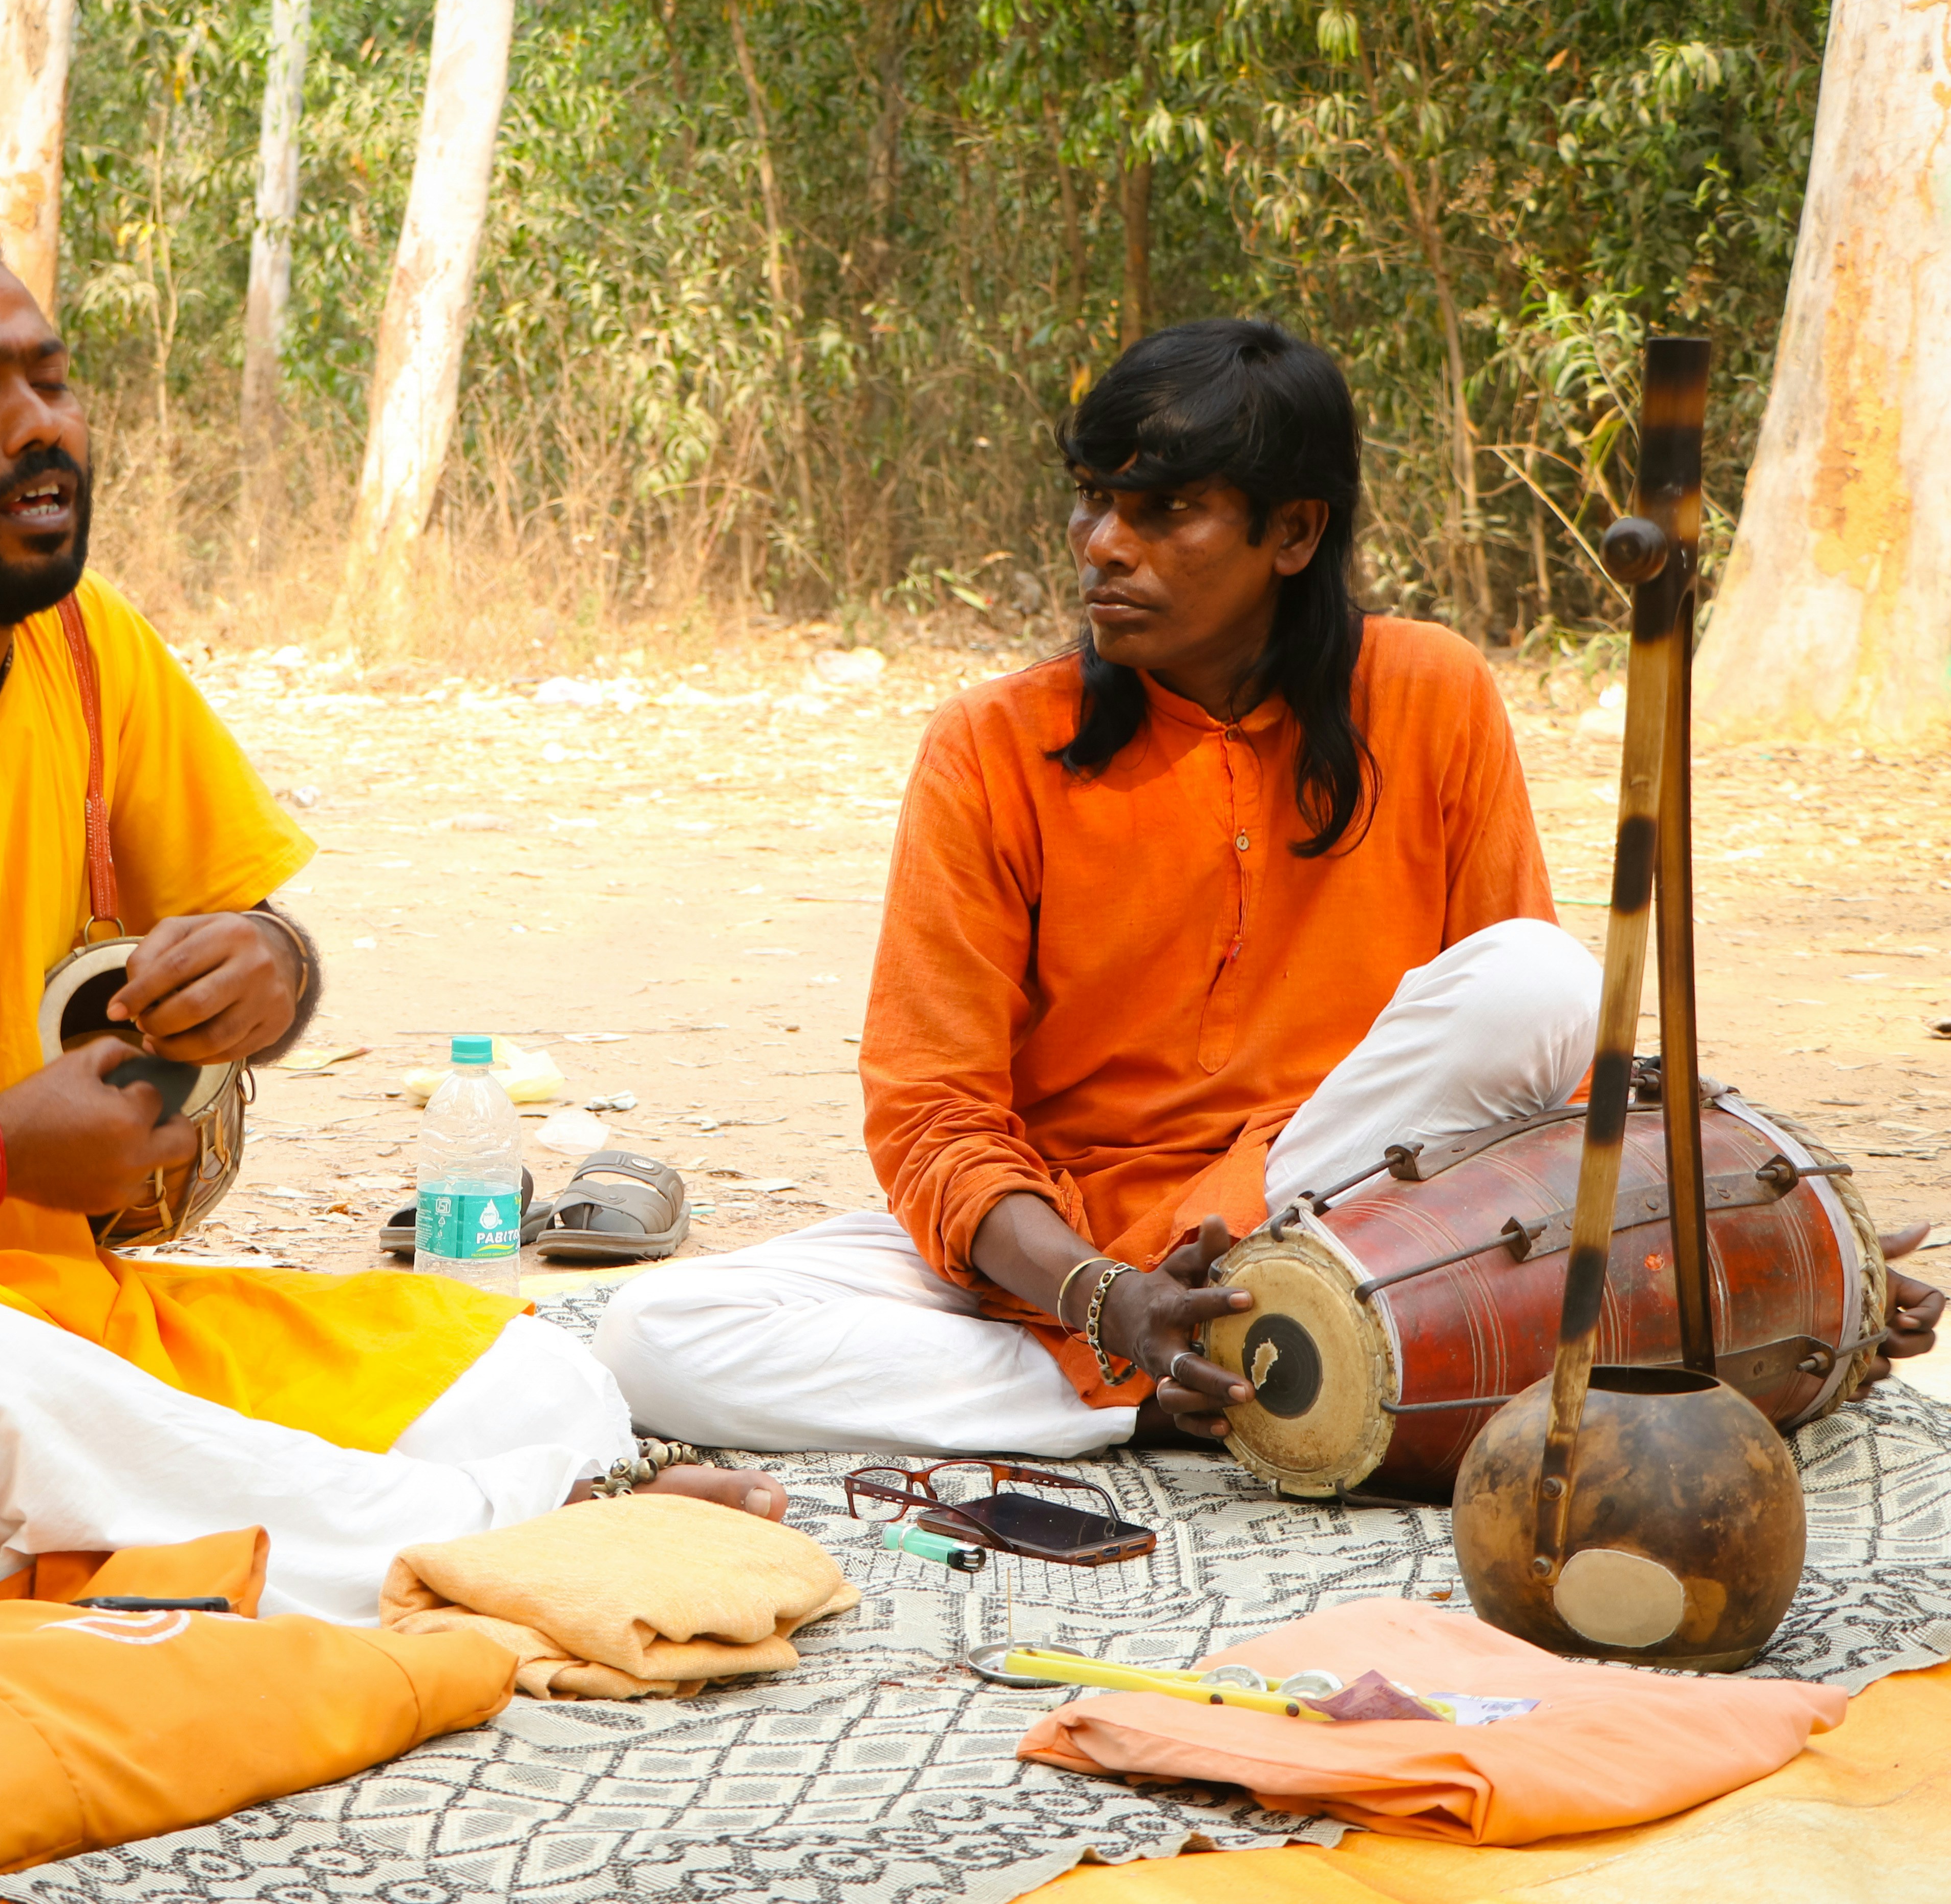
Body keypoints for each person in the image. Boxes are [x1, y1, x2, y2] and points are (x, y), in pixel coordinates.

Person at [0, 209, 778, 1624]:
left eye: (50, 378)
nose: (40, 429)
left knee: (539, 1371)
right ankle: (530, 1541)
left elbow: (262, 938)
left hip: (45, 1303)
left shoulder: (89, 654)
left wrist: (270, 968)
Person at [594, 318, 1942, 1456]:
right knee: (654, 1332)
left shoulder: (1427, 692)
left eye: (1160, 510)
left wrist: (1747, 1249)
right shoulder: (990, 746)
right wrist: (1098, 1291)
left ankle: (1256, 1348)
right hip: (1067, 1241)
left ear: (1293, 533)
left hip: (1342, 1200)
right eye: (1089, 499)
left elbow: (1540, 1077)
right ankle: (1200, 1391)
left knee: (1540, 981)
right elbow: (935, 1117)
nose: (1099, 546)